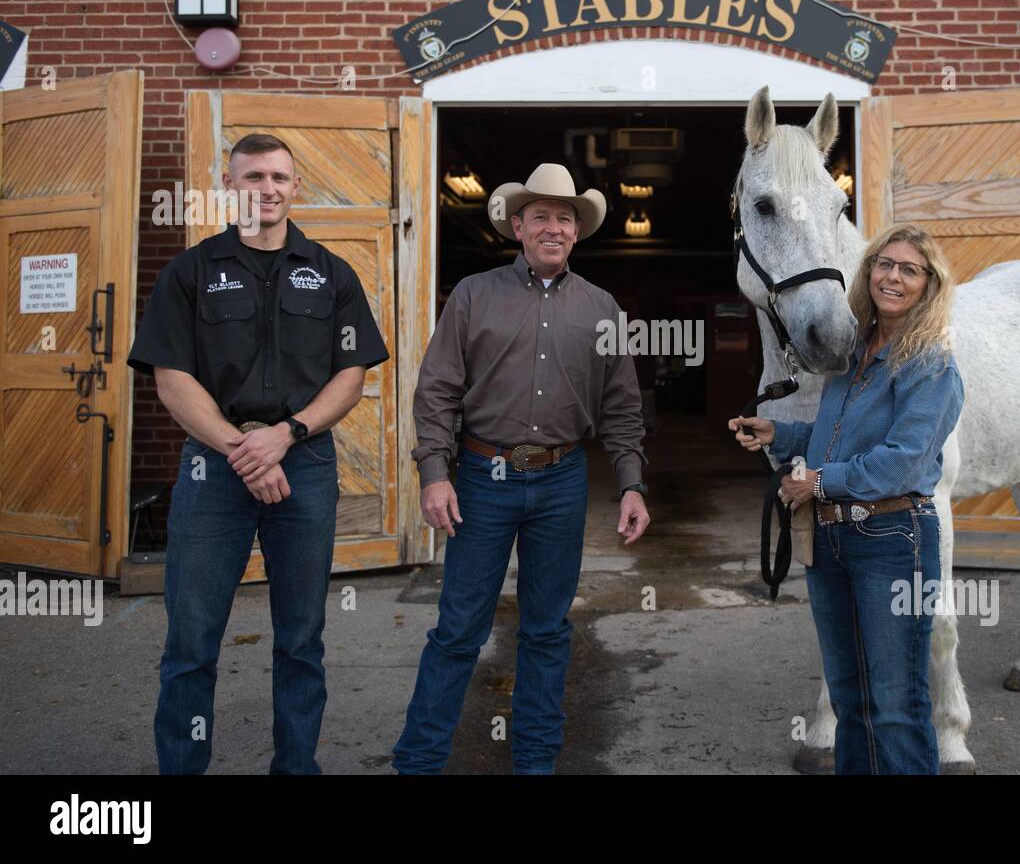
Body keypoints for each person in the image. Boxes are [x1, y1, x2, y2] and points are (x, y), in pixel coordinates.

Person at [127, 133, 390, 774]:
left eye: (278, 176)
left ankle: (296, 768)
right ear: (229, 185)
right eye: (252, 177)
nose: (266, 189)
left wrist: (286, 436)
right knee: (191, 639)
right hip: (212, 467)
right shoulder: (190, 273)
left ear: (296, 186)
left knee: (301, 639)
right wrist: (243, 449)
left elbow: (351, 375)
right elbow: (171, 377)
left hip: (304, 462)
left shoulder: (332, 274)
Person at [394, 162, 650, 774]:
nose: (553, 227)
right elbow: (436, 392)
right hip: (483, 479)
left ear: (577, 232)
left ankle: (535, 761)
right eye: (541, 216)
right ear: (518, 226)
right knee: (458, 629)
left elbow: (623, 408)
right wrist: (435, 471)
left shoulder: (603, 308)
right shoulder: (474, 295)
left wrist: (632, 484)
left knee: (546, 630)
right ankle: (419, 763)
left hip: (562, 481)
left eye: (565, 218)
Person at [729, 226, 964, 775]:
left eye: (910, 269)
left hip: (892, 539)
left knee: (896, 705)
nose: (893, 277)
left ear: (930, 285)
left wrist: (815, 482)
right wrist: (779, 435)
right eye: (884, 264)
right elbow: (835, 434)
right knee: (851, 699)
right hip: (833, 540)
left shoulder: (931, 365)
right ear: (867, 272)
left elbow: (901, 463)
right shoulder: (857, 352)